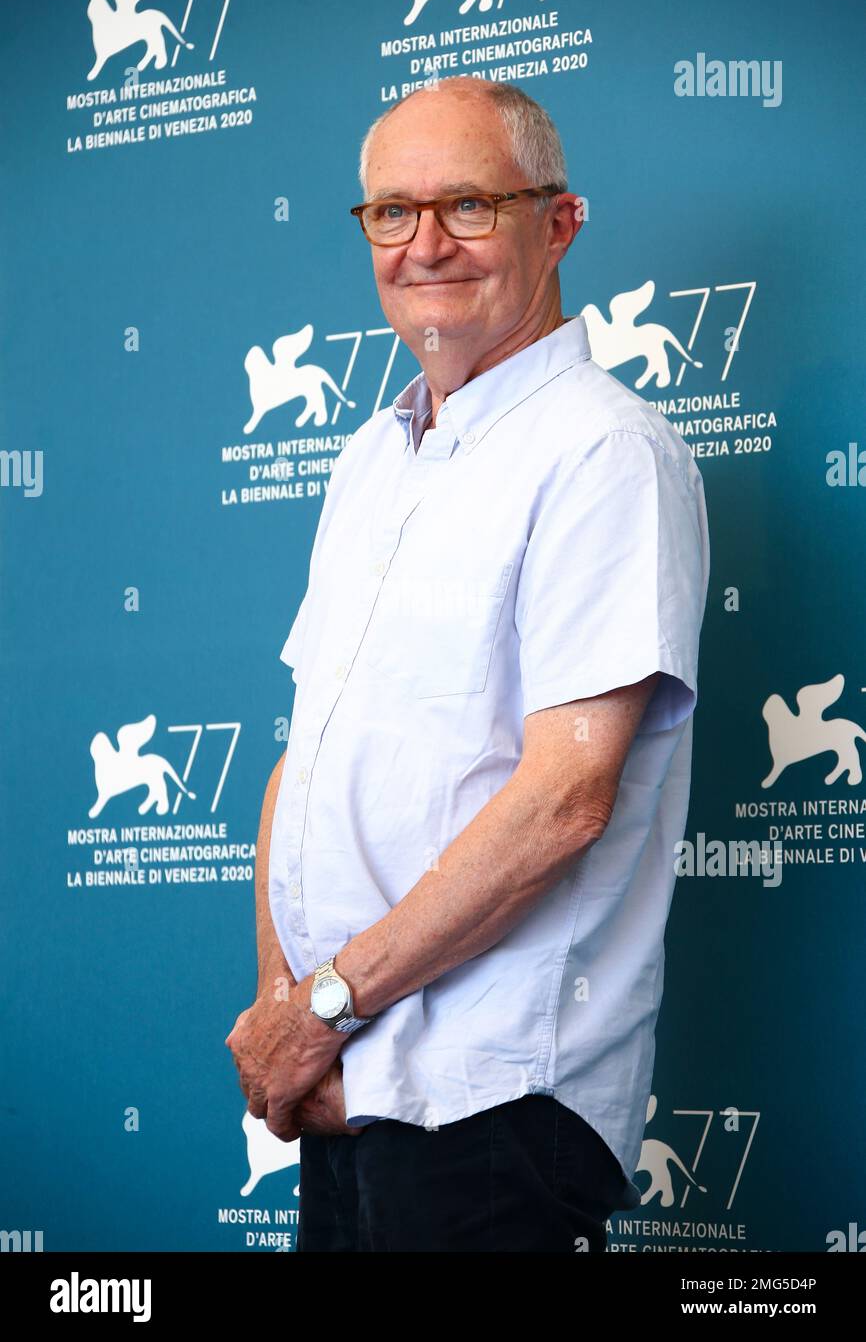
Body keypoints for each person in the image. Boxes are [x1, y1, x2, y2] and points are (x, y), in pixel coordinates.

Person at [225, 75, 710, 1253]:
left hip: (491, 1106)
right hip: (345, 1087)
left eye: (468, 207)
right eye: (391, 212)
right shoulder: (366, 464)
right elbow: (306, 756)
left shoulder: (603, 452)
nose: (424, 245)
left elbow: (561, 800)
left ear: (558, 223)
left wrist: (325, 1004)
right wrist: (289, 1017)